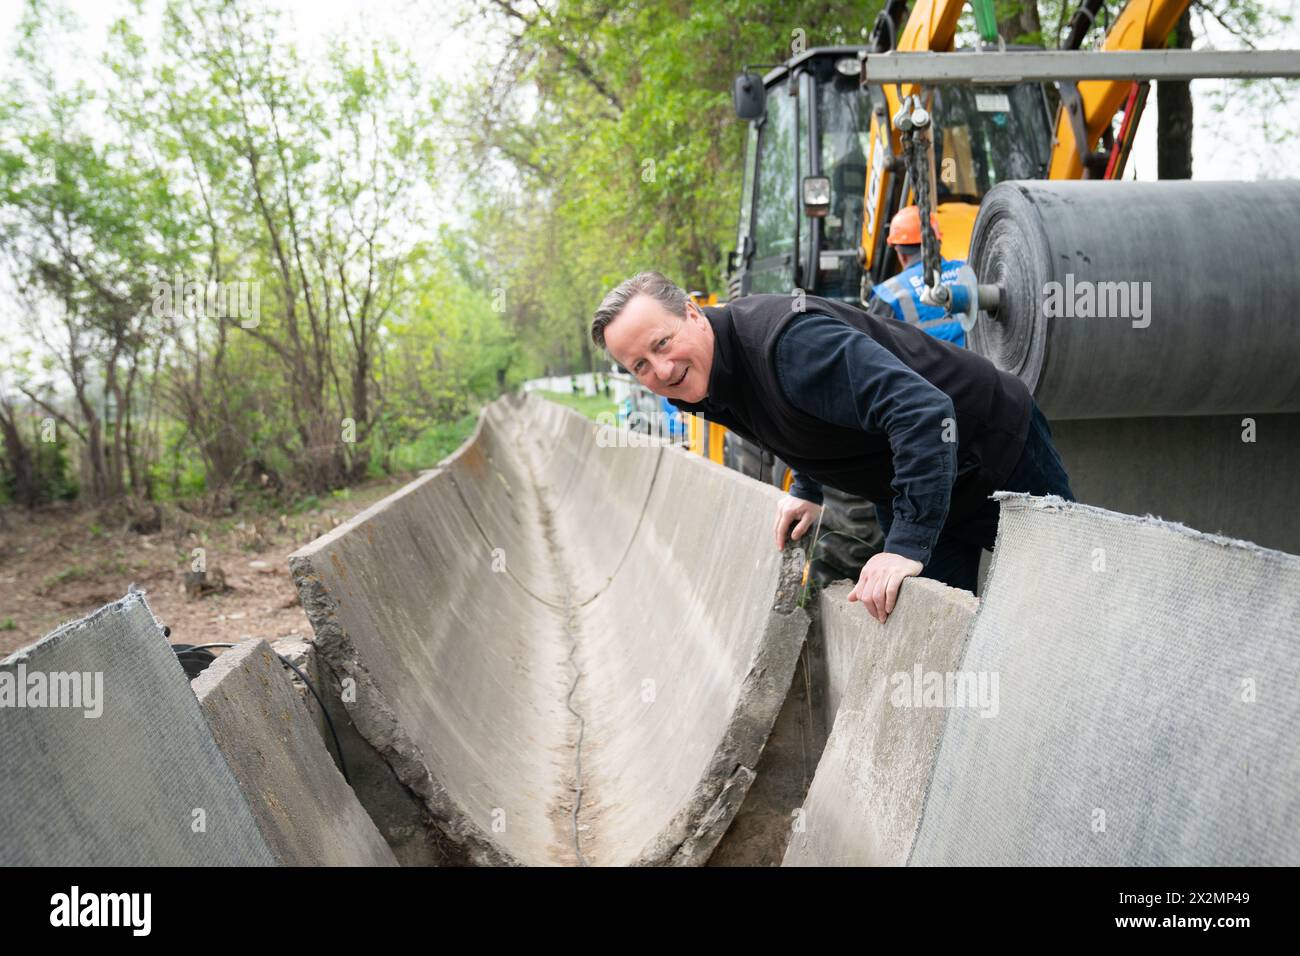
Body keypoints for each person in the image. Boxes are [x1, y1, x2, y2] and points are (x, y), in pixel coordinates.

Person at [589, 272, 1074, 623]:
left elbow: (923, 412)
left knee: (1067, 597)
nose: (661, 369)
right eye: (640, 366)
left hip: (992, 451)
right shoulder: (704, 375)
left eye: (661, 343)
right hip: (911, 484)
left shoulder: (790, 345)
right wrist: (807, 486)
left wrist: (905, 545)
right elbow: (800, 415)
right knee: (934, 628)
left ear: (692, 315)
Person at [871, 205, 967, 347]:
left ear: (900, 253)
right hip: (981, 366)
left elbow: (872, 350)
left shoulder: (890, 294)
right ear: (938, 242)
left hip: (924, 369)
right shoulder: (968, 270)